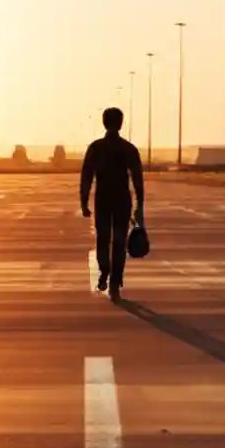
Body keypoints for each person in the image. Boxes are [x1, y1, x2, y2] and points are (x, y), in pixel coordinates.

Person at [80, 107, 145, 302]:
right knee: (119, 241)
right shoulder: (128, 148)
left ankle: (105, 272)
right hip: (121, 200)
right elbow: (138, 179)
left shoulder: (96, 147)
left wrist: (83, 201)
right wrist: (139, 204)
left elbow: (86, 176)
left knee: (103, 238)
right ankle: (115, 280)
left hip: (103, 199)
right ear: (121, 123)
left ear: (104, 122)